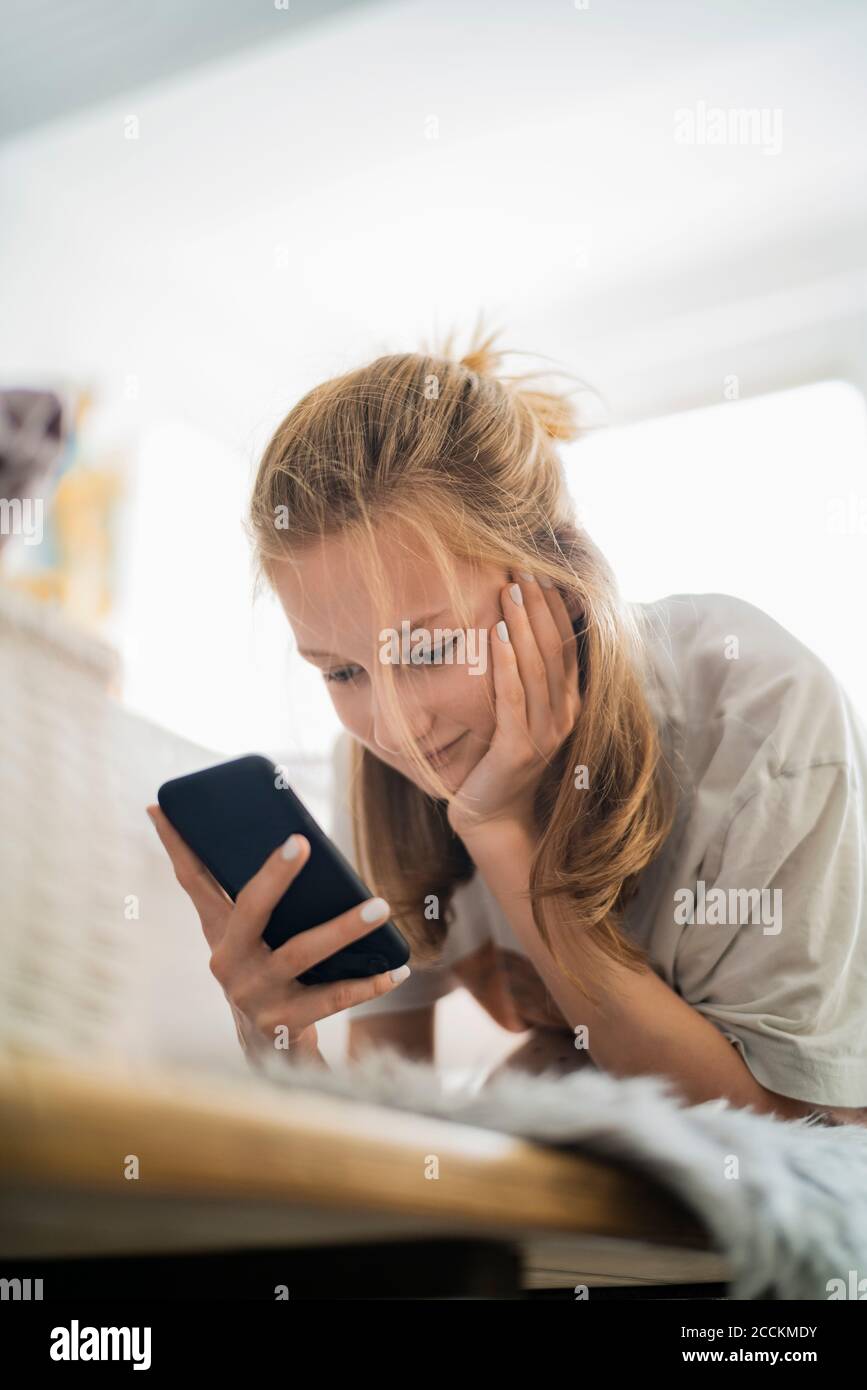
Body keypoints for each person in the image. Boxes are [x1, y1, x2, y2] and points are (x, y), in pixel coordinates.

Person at [148, 327, 867, 1126]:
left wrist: (501, 832)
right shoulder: (381, 763)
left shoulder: (759, 714)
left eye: (425, 647)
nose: (393, 728)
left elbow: (800, 1138)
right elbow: (398, 1119)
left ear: (557, 587)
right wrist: (275, 1043)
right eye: (341, 671)